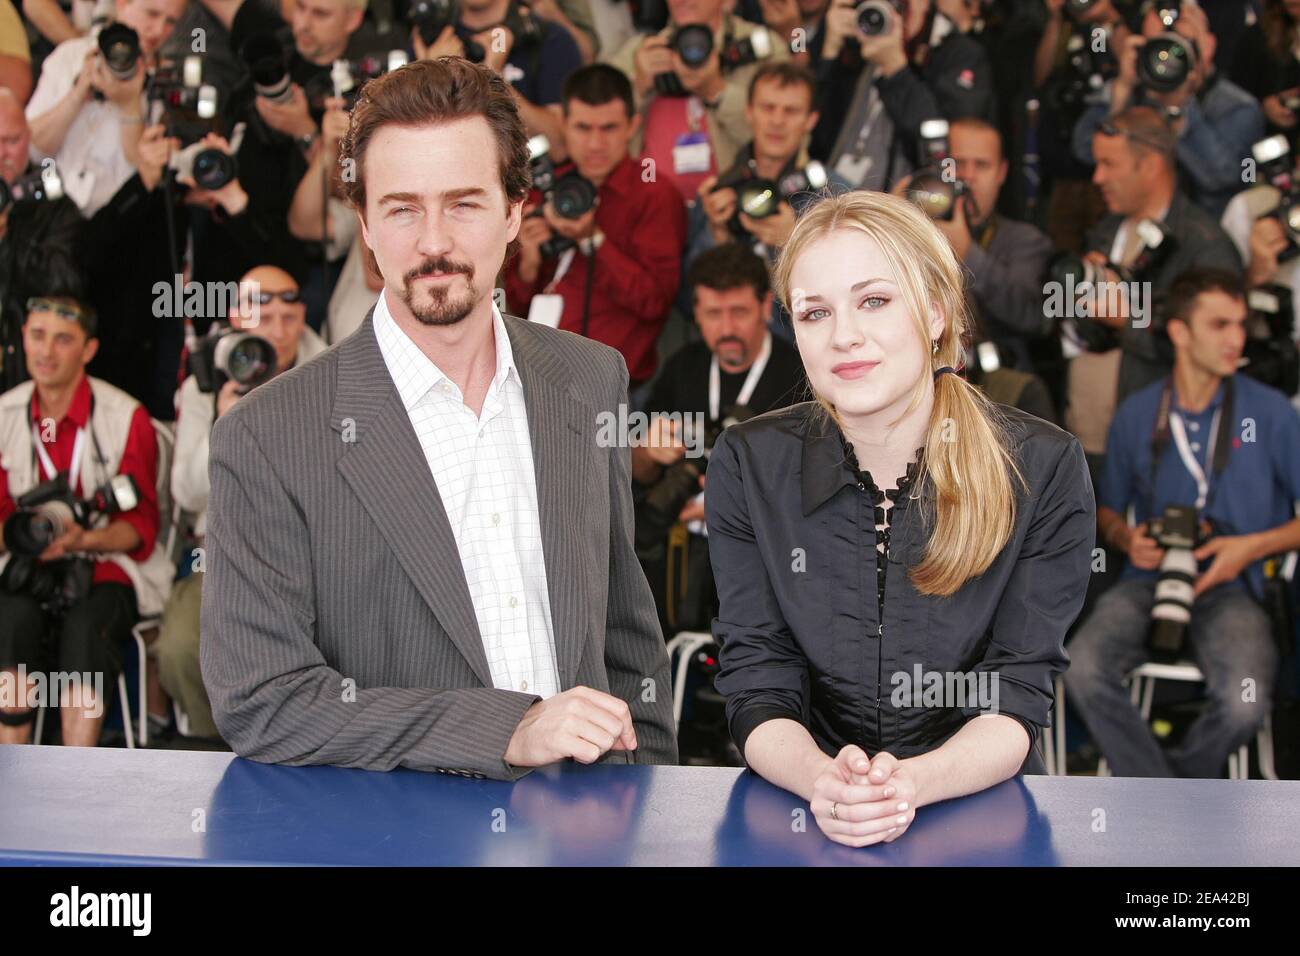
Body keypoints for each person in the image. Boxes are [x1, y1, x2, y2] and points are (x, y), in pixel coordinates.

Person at [201, 57, 677, 778]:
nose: (433, 242)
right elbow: (262, 699)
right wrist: (506, 730)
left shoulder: (590, 377)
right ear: (363, 221)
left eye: (463, 203)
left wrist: (650, 804)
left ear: (515, 210)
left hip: (591, 828)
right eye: (401, 208)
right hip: (402, 838)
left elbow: (625, 635)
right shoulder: (268, 435)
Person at [705, 190, 1095, 847]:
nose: (844, 335)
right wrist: (823, 781)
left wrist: (907, 786)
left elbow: (1018, 691)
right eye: (815, 312)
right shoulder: (747, 464)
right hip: (801, 815)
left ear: (937, 311)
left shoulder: (1043, 467)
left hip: (973, 823)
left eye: (874, 300)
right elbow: (756, 676)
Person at [1066, 268, 1300, 777]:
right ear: (1179, 333)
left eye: (1241, 325)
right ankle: (1168, 796)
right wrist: (1126, 536)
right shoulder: (1137, 413)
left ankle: (1170, 790)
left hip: (1235, 587)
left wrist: (1250, 547)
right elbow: (1107, 510)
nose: (1236, 339)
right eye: (1220, 325)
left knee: (1245, 702)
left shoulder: (1271, 412)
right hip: (1148, 580)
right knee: (1081, 669)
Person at [155, 265, 327, 741]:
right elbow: (187, 495)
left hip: (316, 553)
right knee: (181, 647)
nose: (276, 330)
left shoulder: (334, 373)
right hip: (222, 551)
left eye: (287, 317)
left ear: (302, 319)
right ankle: (219, 748)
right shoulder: (203, 387)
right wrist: (223, 428)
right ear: (236, 319)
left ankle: (312, 749)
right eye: (262, 316)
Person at [0, 295, 169, 746]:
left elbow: (142, 528)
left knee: (86, 630)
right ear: (22, 338)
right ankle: (9, 776)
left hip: (105, 564)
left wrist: (81, 538)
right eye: (37, 336)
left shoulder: (125, 415)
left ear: (88, 349)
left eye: (63, 340)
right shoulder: (5, 414)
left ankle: (78, 772)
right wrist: (23, 537)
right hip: (27, 567)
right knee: (10, 621)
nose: (46, 352)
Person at [633, 242, 806, 634]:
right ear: (696, 313)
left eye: (739, 312)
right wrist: (645, 452)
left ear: (765, 307)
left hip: (767, 559)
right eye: (713, 314)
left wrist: (738, 505)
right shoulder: (683, 368)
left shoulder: (798, 375)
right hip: (678, 554)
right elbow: (635, 474)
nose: (726, 328)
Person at [1065, 105, 1241, 468]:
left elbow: (1212, 346)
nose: (1097, 177)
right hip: (1086, 437)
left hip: (1159, 445)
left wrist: (1129, 317)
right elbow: (1079, 320)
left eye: (1109, 164)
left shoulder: (1205, 244)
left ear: (1149, 165)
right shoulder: (1106, 229)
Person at [504, 64, 685, 387]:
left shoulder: (654, 195)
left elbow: (654, 303)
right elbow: (516, 306)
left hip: (612, 387)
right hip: (538, 377)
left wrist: (593, 241)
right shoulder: (543, 189)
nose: (596, 143)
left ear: (632, 126)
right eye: (583, 128)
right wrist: (529, 264)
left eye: (609, 128)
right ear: (564, 125)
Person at [1070, 0, 1263, 219]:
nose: (1166, 60)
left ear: (1208, 46)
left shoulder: (1237, 106)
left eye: (1178, 46)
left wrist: (1178, 108)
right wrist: (1121, 92)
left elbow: (1221, 179)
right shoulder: (1131, 91)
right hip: (1134, 226)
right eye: (1157, 46)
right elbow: (1084, 152)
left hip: (1208, 232)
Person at [604, 0, 790, 201]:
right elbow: (596, 134)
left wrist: (716, 91)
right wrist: (638, 86)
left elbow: (786, 136)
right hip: (653, 206)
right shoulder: (640, 50)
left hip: (732, 201)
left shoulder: (764, 48)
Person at [25, 0, 190, 215]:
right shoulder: (70, 56)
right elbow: (33, 149)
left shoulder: (168, 81)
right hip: (50, 211)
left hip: (117, 218)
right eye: (151, 14)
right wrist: (77, 95)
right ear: (122, 4)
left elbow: (144, 172)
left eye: (170, 21)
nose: (158, 30)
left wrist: (130, 105)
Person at [0, 89, 85, 393]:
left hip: (29, 369)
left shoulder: (55, 205)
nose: (2, 156)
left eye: (12, 141)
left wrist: (8, 238)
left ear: (29, 137)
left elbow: (63, 286)